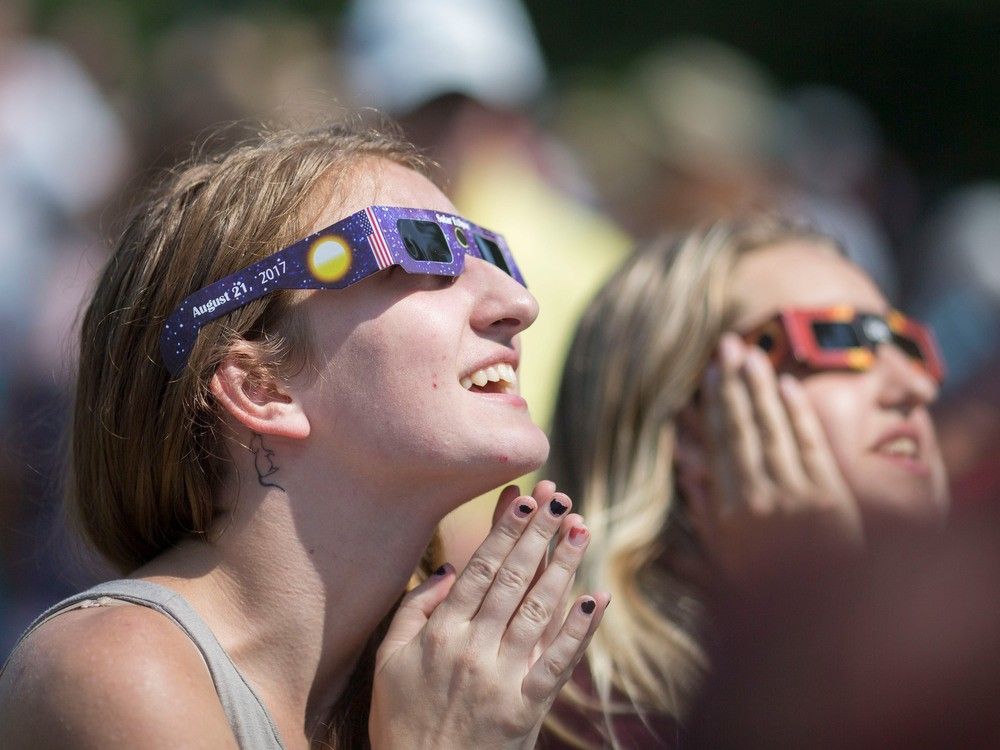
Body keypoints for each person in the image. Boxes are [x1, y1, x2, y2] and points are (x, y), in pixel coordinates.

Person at [0, 121, 609, 749]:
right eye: (424, 255)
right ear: (261, 384)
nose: (519, 303)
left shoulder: (471, 686)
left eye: (493, 256)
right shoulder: (115, 671)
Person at [543, 217, 949, 748]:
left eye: (908, 342)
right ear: (686, 419)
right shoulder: (576, 715)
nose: (914, 385)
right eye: (839, 336)